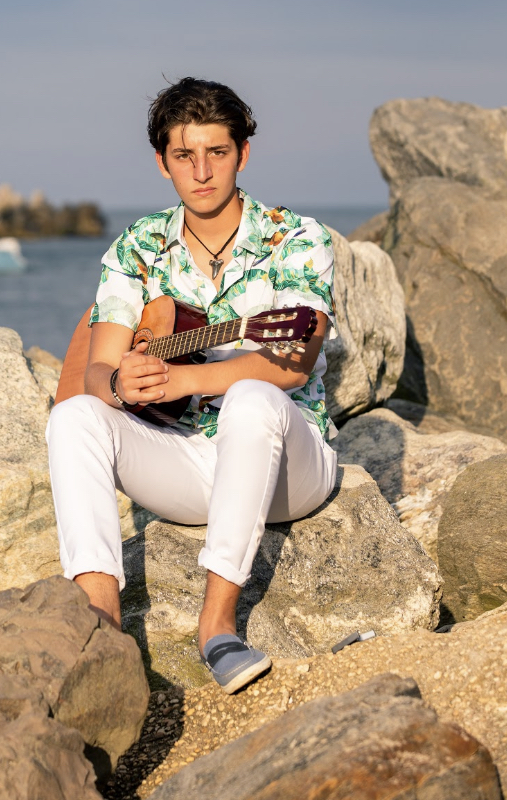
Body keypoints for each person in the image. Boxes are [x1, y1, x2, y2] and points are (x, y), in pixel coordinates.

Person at [47, 77, 338, 693]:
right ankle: (102, 627)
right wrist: (122, 385)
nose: (201, 172)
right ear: (163, 162)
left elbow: (292, 365)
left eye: (217, 152)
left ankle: (217, 629)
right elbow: (96, 371)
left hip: (288, 468)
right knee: (72, 417)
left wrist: (185, 377)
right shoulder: (139, 247)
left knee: (253, 398)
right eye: (184, 155)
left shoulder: (296, 238)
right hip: (186, 465)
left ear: (243, 153)